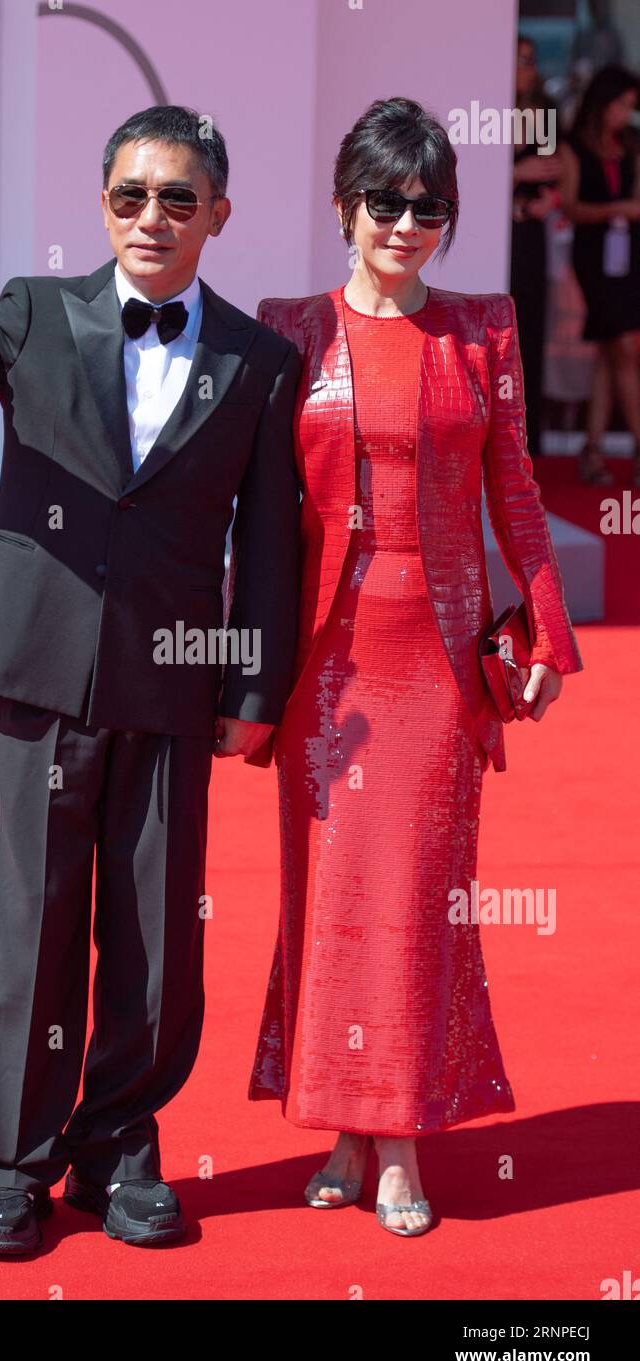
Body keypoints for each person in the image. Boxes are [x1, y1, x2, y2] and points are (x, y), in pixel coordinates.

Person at [0, 104, 301, 1255]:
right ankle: (7, 1162)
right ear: (100, 204)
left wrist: (252, 693)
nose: (148, 217)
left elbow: (265, 542)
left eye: (174, 197)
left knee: (157, 928)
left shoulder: (258, 360)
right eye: (126, 196)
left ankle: (118, 1152)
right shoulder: (34, 314)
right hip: (44, 668)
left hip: (174, 681)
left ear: (216, 212)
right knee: (29, 919)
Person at [242, 98, 583, 1236]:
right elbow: (249, 511)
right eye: (383, 201)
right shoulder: (290, 329)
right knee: (328, 903)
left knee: (410, 906)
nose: (402, 222)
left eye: (426, 206)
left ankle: (399, 1141)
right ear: (345, 203)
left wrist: (543, 633)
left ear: (448, 217)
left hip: (431, 669)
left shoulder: (479, 330)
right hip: (322, 675)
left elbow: (517, 497)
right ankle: (341, 1120)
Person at [560, 65, 640, 486]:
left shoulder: (630, 145)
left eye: (631, 106)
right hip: (594, 255)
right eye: (621, 105)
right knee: (624, 343)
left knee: (612, 352)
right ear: (603, 102)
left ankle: (591, 449)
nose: (626, 114)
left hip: (629, 255)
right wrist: (615, 210)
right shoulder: (574, 146)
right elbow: (569, 207)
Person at [511, 33, 563, 457]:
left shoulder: (543, 113)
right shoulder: (486, 110)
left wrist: (548, 199)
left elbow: (552, 172)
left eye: (530, 59)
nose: (526, 67)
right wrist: (516, 174)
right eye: (518, 58)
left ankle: (528, 441)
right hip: (499, 234)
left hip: (530, 235)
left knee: (530, 327)